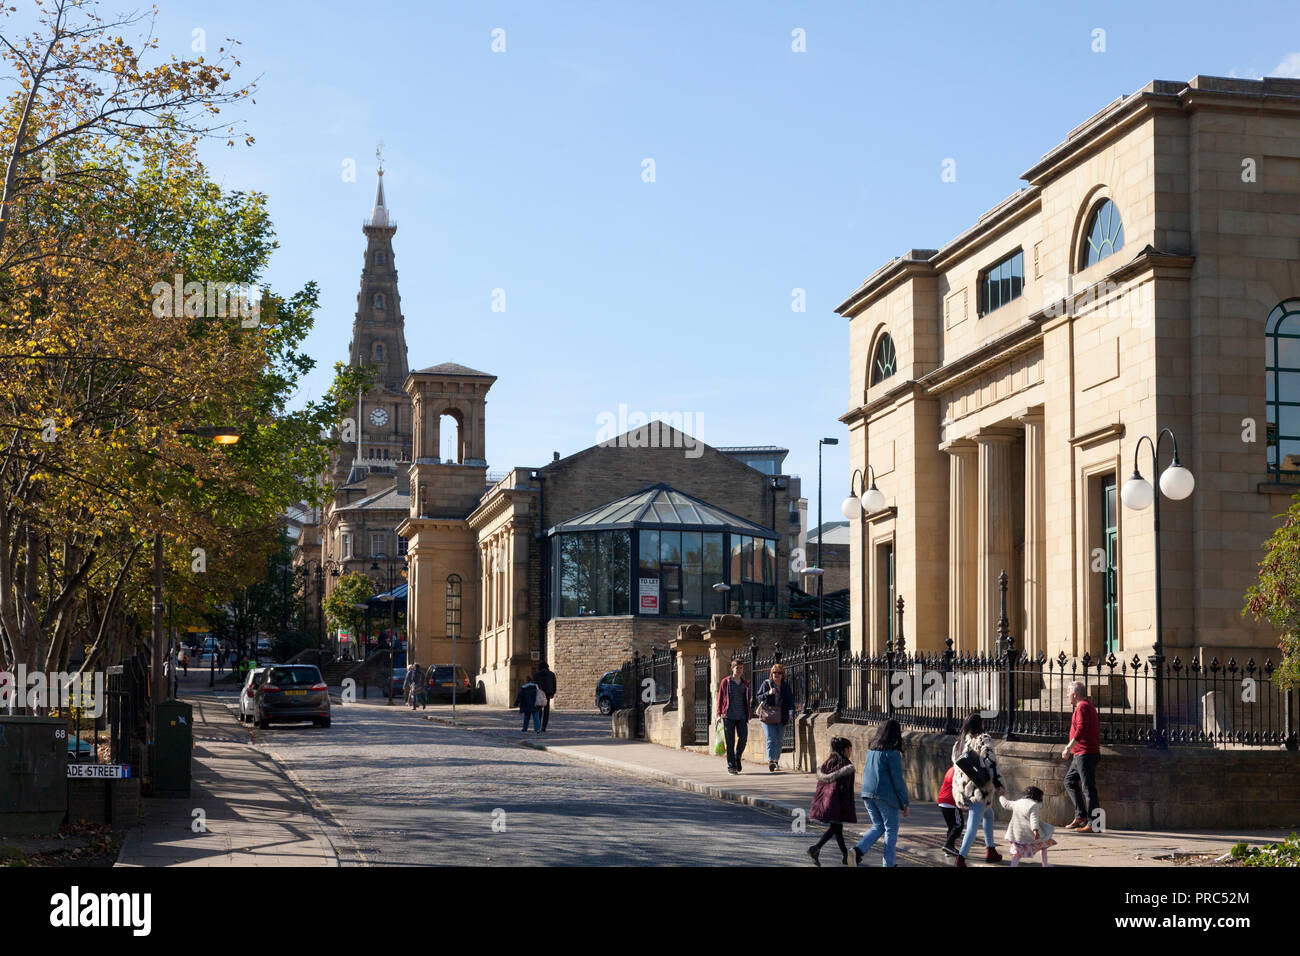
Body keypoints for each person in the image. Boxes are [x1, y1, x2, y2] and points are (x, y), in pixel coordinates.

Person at [951, 712, 1005, 867]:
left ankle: (991, 850)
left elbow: (956, 764)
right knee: (972, 826)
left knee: (989, 814)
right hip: (979, 790)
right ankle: (960, 858)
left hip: (963, 788)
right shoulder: (983, 739)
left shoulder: (960, 742)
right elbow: (990, 763)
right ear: (981, 725)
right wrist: (999, 784)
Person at [855, 718, 910, 866]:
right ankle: (889, 864)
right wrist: (905, 802)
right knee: (891, 829)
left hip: (867, 793)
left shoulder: (872, 750)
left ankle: (857, 851)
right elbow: (897, 780)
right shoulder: (891, 753)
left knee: (878, 826)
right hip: (884, 796)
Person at [807, 736, 856, 865]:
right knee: (836, 827)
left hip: (824, 801)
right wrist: (847, 807)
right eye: (850, 749)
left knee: (837, 828)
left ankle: (845, 855)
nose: (850, 752)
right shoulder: (846, 766)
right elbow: (846, 789)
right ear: (845, 750)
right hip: (837, 803)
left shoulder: (828, 762)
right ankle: (815, 848)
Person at [1061, 680, 1101, 831]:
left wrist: (1068, 748)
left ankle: (1094, 824)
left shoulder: (1083, 707)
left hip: (1086, 753)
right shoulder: (1085, 706)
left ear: (1075, 694)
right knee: (1069, 781)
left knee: (1089, 789)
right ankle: (1081, 816)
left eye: (1068, 692)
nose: (1067, 695)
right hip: (1082, 754)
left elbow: (1082, 729)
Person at [1000, 785, 1056, 867]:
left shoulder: (1018, 802)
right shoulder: (1033, 805)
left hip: (1017, 834)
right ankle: (1045, 864)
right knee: (1044, 844)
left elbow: (1006, 804)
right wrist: (1035, 830)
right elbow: (1034, 819)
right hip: (1028, 833)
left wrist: (1001, 795)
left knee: (1017, 852)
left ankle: (1013, 865)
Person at [755, 662, 796, 772]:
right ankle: (771, 761)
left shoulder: (785, 686)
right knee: (771, 738)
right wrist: (768, 693)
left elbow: (790, 700)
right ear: (771, 674)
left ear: (783, 674)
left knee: (779, 740)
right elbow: (758, 697)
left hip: (781, 716)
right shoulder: (766, 684)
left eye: (779, 673)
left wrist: (792, 711)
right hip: (768, 716)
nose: (776, 675)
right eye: (774, 672)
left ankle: (776, 761)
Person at [714, 656, 751, 774]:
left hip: (741, 716)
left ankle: (737, 757)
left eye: (741, 668)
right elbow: (720, 699)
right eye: (737, 668)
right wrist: (718, 714)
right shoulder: (726, 681)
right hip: (728, 715)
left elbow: (748, 700)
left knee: (743, 738)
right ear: (732, 668)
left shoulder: (745, 683)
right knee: (730, 742)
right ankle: (731, 766)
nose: (739, 670)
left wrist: (748, 713)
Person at [937, 764, 965, 857]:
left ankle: (949, 848)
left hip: (942, 800)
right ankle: (948, 845)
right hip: (951, 801)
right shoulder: (958, 771)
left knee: (952, 826)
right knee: (959, 825)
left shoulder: (951, 769)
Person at [534, 662, 557, 732]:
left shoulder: (536, 674)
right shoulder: (552, 674)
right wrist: (553, 692)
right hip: (548, 693)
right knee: (546, 711)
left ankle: (538, 726)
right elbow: (554, 684)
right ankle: (544, 726)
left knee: (539, 710)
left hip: (539, 693)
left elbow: (534, 684)